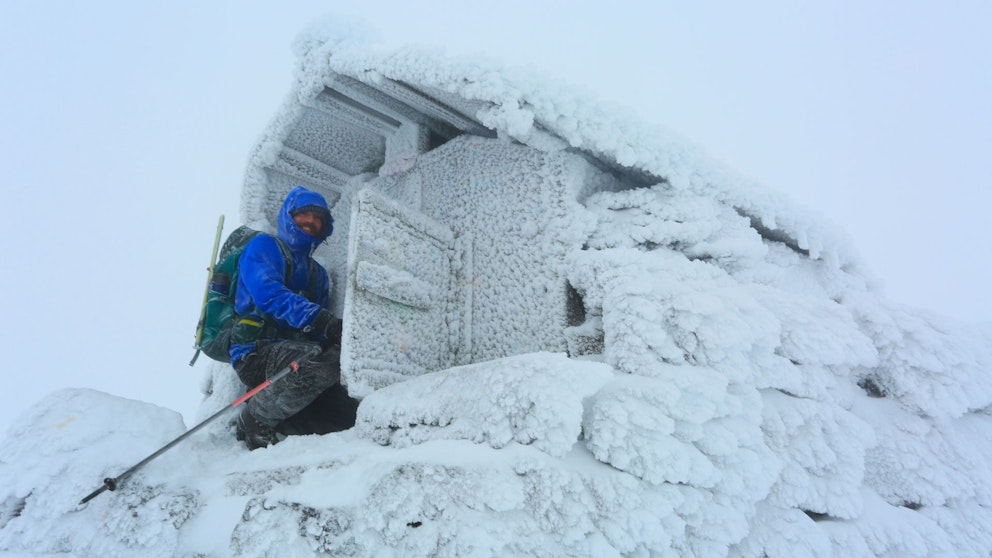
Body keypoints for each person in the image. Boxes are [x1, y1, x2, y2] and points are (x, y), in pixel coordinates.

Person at [229, 185, 358, 450]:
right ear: (288, 216)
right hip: (256, 353)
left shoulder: (318, 275)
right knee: (325, 361)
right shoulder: (263, 246)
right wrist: (324, 321)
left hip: (297, 357)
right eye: (304, 214)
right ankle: (255, 417)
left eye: (319, 218)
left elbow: (315, 333)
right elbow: (269, 294)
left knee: (348, 414)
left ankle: (284, 420)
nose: (312, 221)